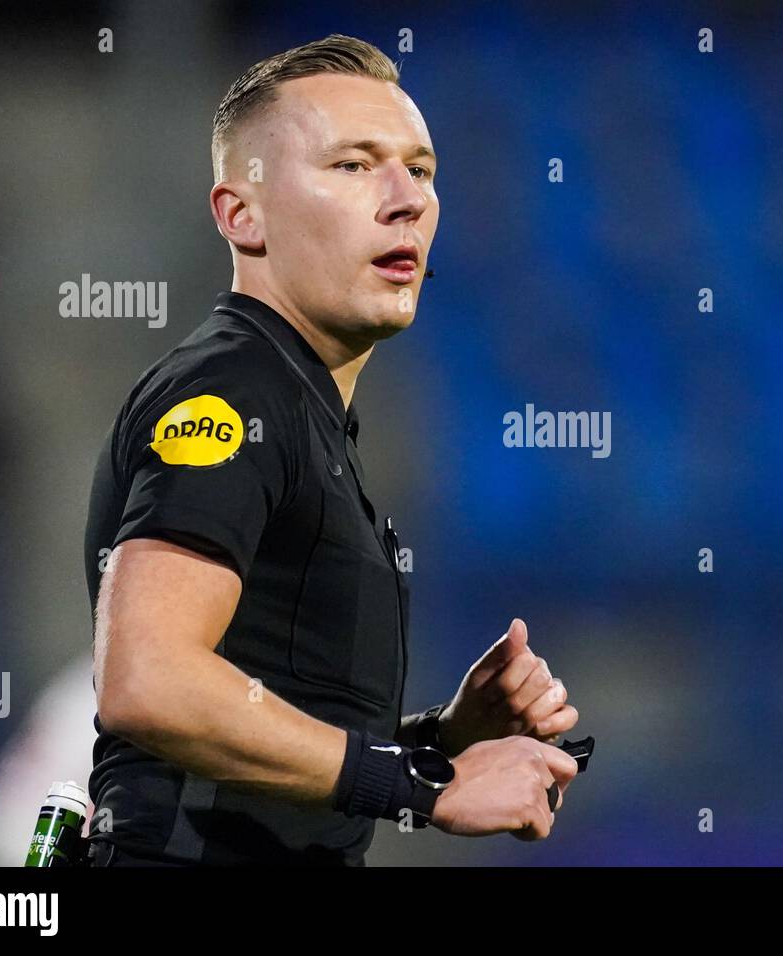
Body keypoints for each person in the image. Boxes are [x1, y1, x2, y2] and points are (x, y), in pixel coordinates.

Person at [83, 33, 580, 866]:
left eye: (419, 170)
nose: (406, 200)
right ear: (243, 215)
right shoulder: (233, 393)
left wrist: (438, 742)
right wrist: (422, 789)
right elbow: (149, 679)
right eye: (353, 165)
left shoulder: (302, 406)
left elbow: (271, 727)